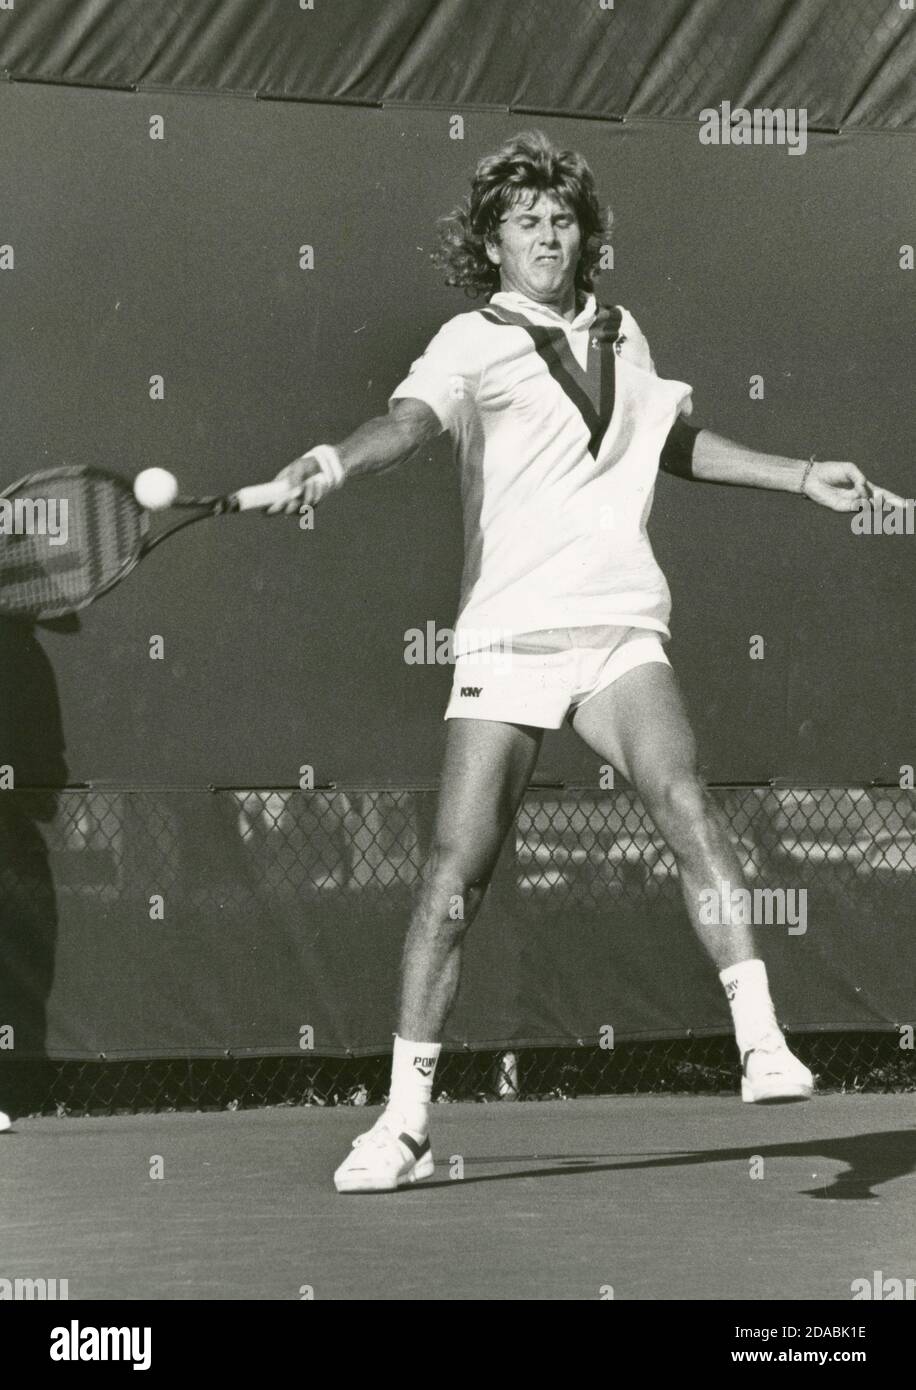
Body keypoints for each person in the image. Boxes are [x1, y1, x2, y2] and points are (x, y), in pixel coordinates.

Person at [269, 131, 903, 1194]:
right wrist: (333, 463)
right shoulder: (470, 340)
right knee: (451, 878)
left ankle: (761, 1042)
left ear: (583, 232)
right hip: (509, 634)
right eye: (525, 221)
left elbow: (667, 443)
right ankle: (403, 1121)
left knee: (684, 797)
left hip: (615, 623)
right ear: (490, 241)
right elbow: (406, 422)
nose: (548, 235)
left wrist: (801, 477)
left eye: (561, 219)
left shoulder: (622, 329)